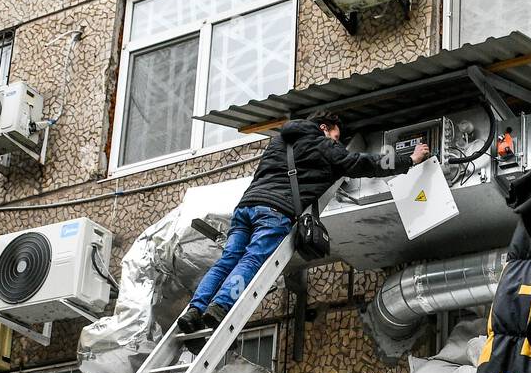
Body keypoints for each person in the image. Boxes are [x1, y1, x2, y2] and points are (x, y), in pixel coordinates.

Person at [177, 111, 430, 335]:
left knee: (226, 260)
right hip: (275, 211)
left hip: (245, 208)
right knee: (253, 260)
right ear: (324, 128)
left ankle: (194, 310)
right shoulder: (321, 144)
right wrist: (408, 160)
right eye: (336, 136)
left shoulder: (279, 142)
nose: (336, 141)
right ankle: (221, 306)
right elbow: (359, 163)